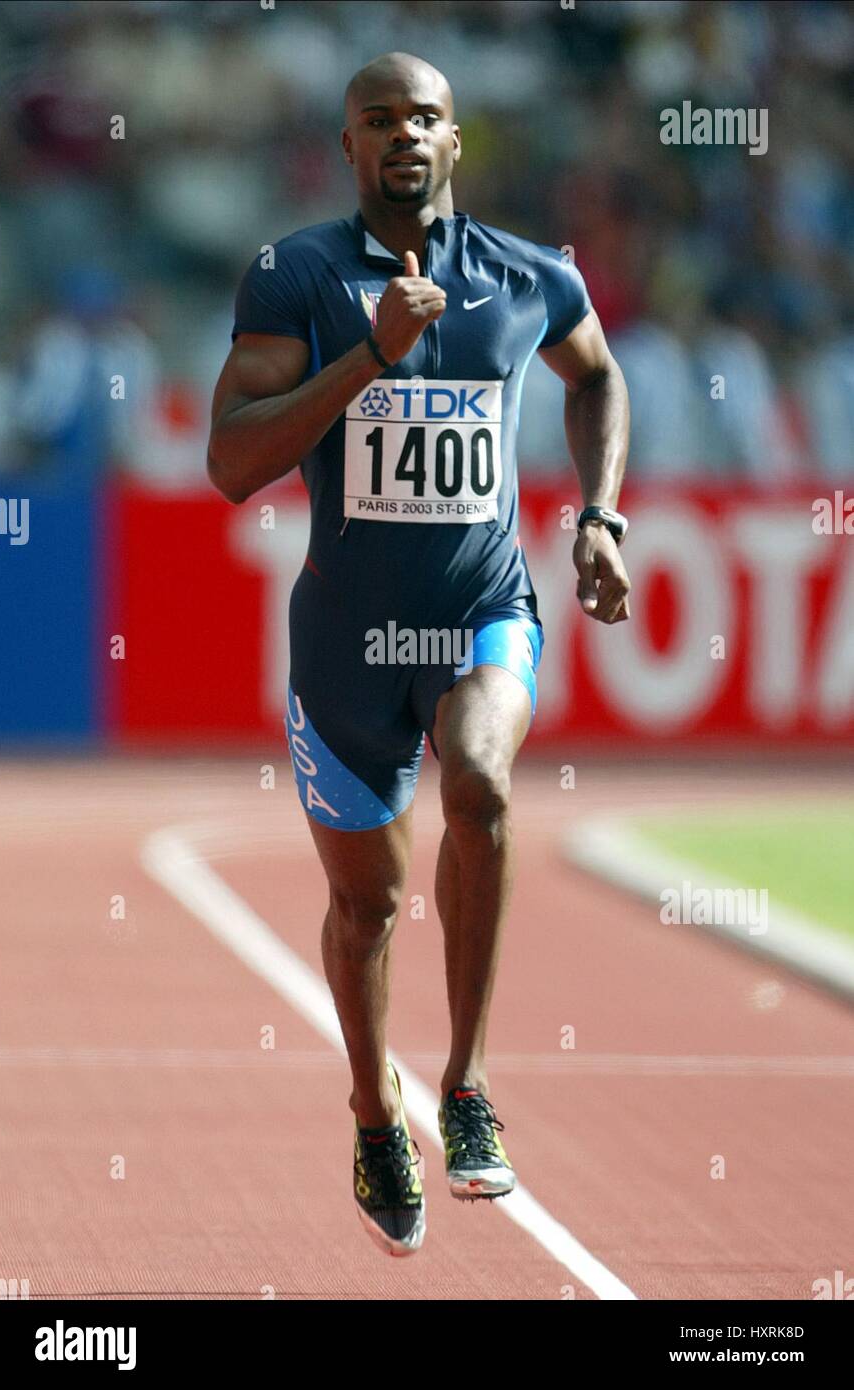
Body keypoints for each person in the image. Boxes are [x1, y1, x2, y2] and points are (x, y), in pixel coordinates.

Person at [208, 52, 631, 1257]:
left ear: (459, 142)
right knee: (367, 904)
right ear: (346, 146)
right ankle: (370, 1106)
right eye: (378, 117)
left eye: (427, 117)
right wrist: (370, 357)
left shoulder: (527, 274)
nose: (404, 133)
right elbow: (232, 464)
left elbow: (596, 376)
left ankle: (466, 1086)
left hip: (480, 609)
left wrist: (598, 515)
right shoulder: (293, 275)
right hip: (343, 644)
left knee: (482, 780)